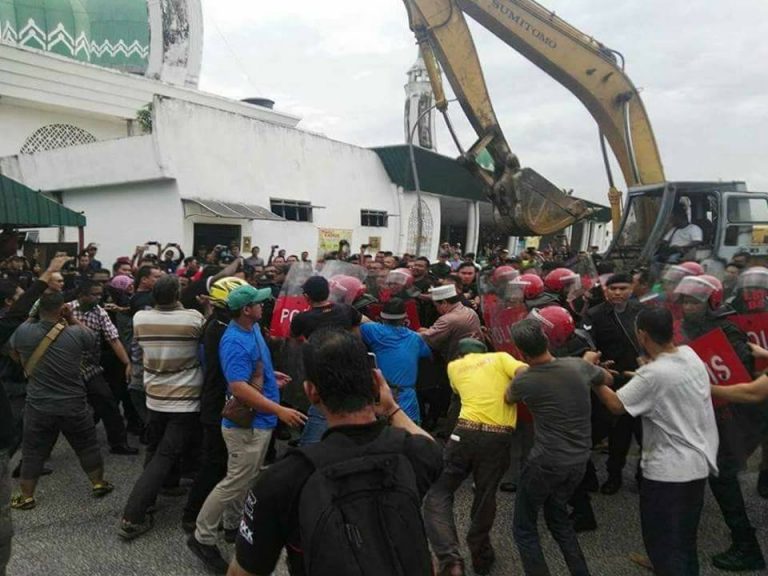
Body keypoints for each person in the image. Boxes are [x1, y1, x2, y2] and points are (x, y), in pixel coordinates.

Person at [227, 328, 442, 576]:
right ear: (375, 382)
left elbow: (242, 572)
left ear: (311, 392)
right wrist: (392, 407)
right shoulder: (413, 452)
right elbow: (431, 447)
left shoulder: (283, 478)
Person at [189, 284, 306, 573]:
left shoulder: (251, 328)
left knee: (244, 477)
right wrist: (279, 409)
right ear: (245, 309)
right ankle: (202, 536)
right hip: (248, 426)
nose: (263, 306)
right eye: (258, 303)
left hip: (259, 421)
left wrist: (269, 375)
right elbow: (238, 387)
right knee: (235, 481)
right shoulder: (234, 341)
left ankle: (232, 526)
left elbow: (253, 368)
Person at [593, 307, 719, 576]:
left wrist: (592, 375)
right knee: (684, 540)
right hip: (696, 464)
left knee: (664, 544)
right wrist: (644, 374)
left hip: (668, 474)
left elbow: (615, 405)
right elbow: (660, 379)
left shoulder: (655, 374)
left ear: (642, 335)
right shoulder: (689, 354)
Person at [506, 319, 610, 576]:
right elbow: (606, 378)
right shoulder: (578, 367)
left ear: (520, 352)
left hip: (545, 463)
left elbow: (508, 397)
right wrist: (589, 363)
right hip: (577, 462)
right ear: (547, 341)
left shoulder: (525, 381)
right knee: (559, 519)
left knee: (524, 527)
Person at [424, 338, 527, 576]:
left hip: (464, 433)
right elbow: (525, 372)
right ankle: (480, 554)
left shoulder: (453, 367)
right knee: (484, 493)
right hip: (497, 438)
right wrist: (510, 395)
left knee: (438, 492)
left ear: (460, 355)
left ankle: (450, 558)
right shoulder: (501, 357)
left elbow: (458, 397)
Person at [9, 292, 114, 510]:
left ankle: (26, 496)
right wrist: (73, 318)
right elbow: (92, 339)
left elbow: (14, 354)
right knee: (86, 446)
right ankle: (98, 483)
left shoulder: (24, 332)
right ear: (62, 309)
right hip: (73, 403)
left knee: (32, 452)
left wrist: (31, 317)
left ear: (39, 310)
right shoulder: (76, 333)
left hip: (39, 405)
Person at [118, 275, 204, 540]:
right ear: (177, 294)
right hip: (184, 397)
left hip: (154, 394)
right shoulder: (193, 319)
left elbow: (139, 351)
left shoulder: (141, 318)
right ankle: (133, 515)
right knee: (165, 454)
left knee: (155, 447)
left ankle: (166, 486)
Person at [182, 277, 247, 533]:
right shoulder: (220, 329)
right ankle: (192, 515)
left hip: (215, 399)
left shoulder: (218, 323)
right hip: (217, 402)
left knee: (218, 462)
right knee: (214, 463)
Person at [581, 272, 642, 495]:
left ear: (631, 289)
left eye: (622, 288)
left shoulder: (642, 312)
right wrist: (597, 364)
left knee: (644, 433)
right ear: (605, 289)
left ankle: (642, 476)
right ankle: (613, 476)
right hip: (612, 381)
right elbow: (587, 344)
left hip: (643, 379)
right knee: (617, 433)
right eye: (613, 288)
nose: (617, 292)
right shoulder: (595, 314)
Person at [291, 275, 363, 446]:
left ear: (306, 297)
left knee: (320, 412)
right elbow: (356, 336)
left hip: (320, 373)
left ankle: (312, 451)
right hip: (349, 368)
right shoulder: (346, 310)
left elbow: (295, 341)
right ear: (328, 291)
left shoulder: (302, 319)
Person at [68, 281, 137, 455]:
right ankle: (38, 454)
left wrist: (127, 362)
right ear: (81, 295)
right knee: (55, 409)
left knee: (107, 401)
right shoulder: (66, 309)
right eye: (94, 294)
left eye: (100, 294)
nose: (98, 298)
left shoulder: (100, 313)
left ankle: (118, 443)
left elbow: (113, 339)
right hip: (66, 365)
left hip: (90, 365)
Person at [360, 298, 431, 423]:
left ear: (382, 317)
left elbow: (354, 317)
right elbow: (427, 355)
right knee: (410, 435)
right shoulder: (415, 338)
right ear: (405, 319)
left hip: (381, 395)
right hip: (407, 397)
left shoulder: (372, 331)